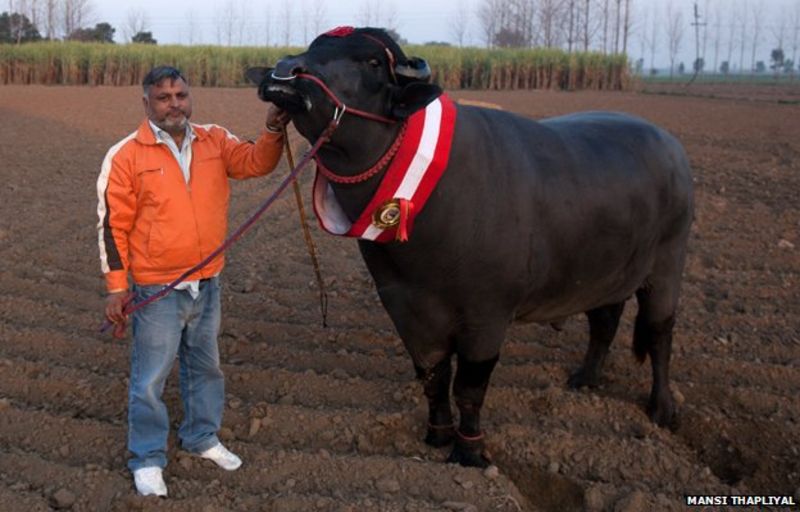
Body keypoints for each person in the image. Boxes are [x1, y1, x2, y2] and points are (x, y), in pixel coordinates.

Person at [96, 66, 289, 497]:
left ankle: (202, 437)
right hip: (157, 288)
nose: (174, 104)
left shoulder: (214, 139)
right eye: (163, 98)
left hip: (208, 281)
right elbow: (114, 228)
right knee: (150, 379)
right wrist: (116, 287)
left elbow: (256, 162)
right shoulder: (126, 155)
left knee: (206, 367)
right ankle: (147, 458)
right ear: (146, 102)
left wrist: (273, 131)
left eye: (180, 95)